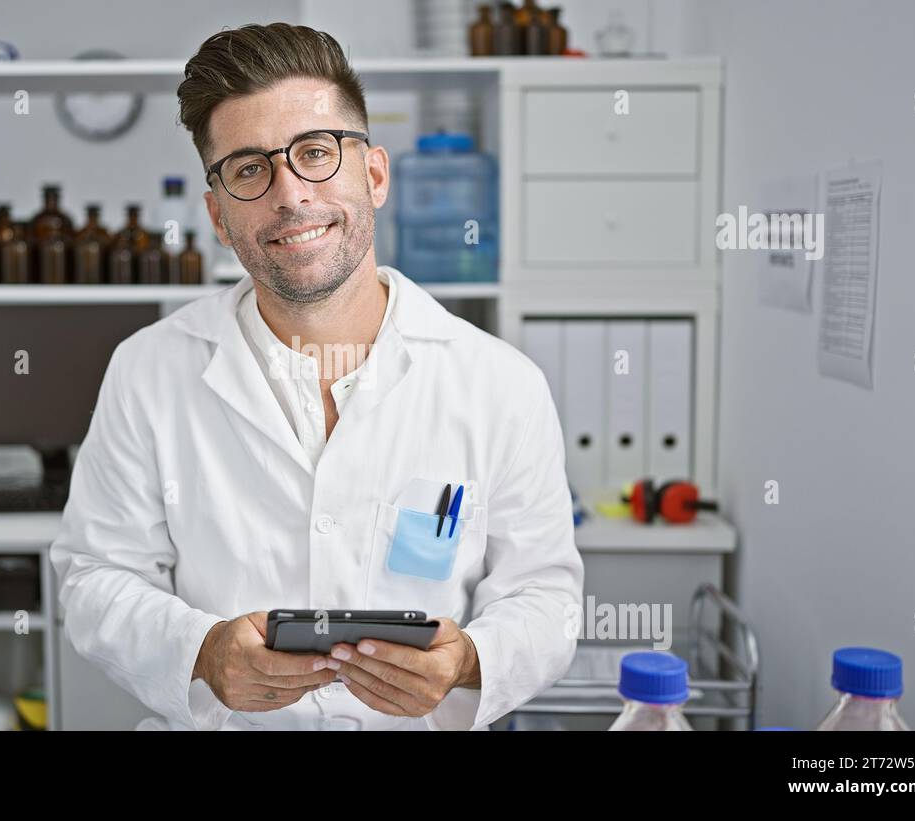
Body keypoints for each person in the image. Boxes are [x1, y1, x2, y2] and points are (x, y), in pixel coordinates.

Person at [50, 23, 583, 730]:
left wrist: (469, 660)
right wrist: (202, 650)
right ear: (217, 215)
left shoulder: (500, 384)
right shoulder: (149, 370)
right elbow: (95, 577)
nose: (291, 195)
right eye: (249, 169)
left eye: (315, 152)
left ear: (375, 175)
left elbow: (545, 597)